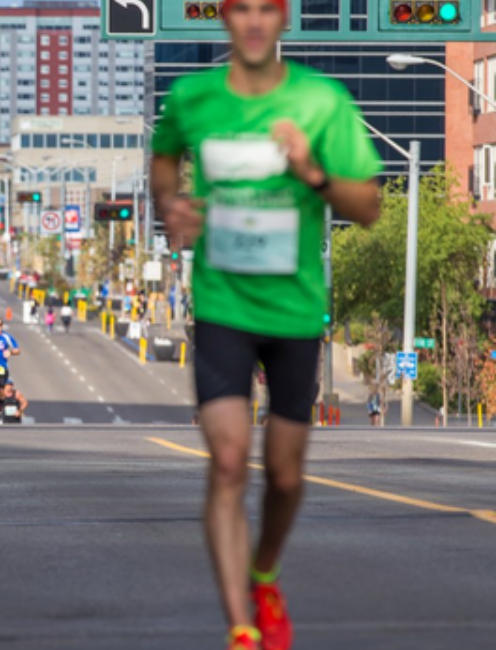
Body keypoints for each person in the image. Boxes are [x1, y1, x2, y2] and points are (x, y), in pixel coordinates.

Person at [151, 1, 382, 647]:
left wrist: (312, 171)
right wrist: (170, 204)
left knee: (284, 474)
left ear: (284, 19)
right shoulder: (193, 98)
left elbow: (368, 206)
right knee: (227, 460)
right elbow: (164, 159)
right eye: (242, 9)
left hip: (294, 311)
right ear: (225, 18)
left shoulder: (321, 101)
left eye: (267, 9)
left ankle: (264, 572)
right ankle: (242, 627)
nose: (254, 22)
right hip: (222, 305)